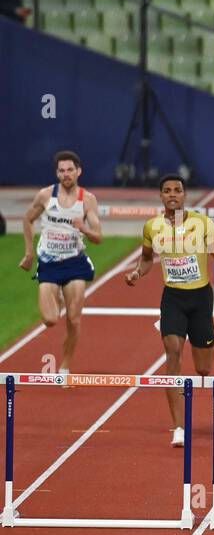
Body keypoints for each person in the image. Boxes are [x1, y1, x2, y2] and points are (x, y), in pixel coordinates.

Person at [126, 173, 214, 447]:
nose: (173, 194)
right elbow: (147, 258)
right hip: (172, 297)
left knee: (203, 368)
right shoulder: (152, 227)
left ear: (185, 196)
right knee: (172, 353)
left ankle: (208, 338)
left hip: (200, 298)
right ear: (161, 196)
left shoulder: (203, 224)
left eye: (177, 190)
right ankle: (178, 427)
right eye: (167, 191)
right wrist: (138, 273)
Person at [18, 151, 102, 376]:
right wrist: (29, 254)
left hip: (75, 262)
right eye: (62, 171)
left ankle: (64, 367)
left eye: (70, 170)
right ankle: (59, 296)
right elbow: (27, 219)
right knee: (50, 319)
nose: (66, 175)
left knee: (74, 321)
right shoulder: (46, 195)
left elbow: (98, 236)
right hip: (48, 263)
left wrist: (83, 228)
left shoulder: (88, 199)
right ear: (57, 173)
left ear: (78, 171)